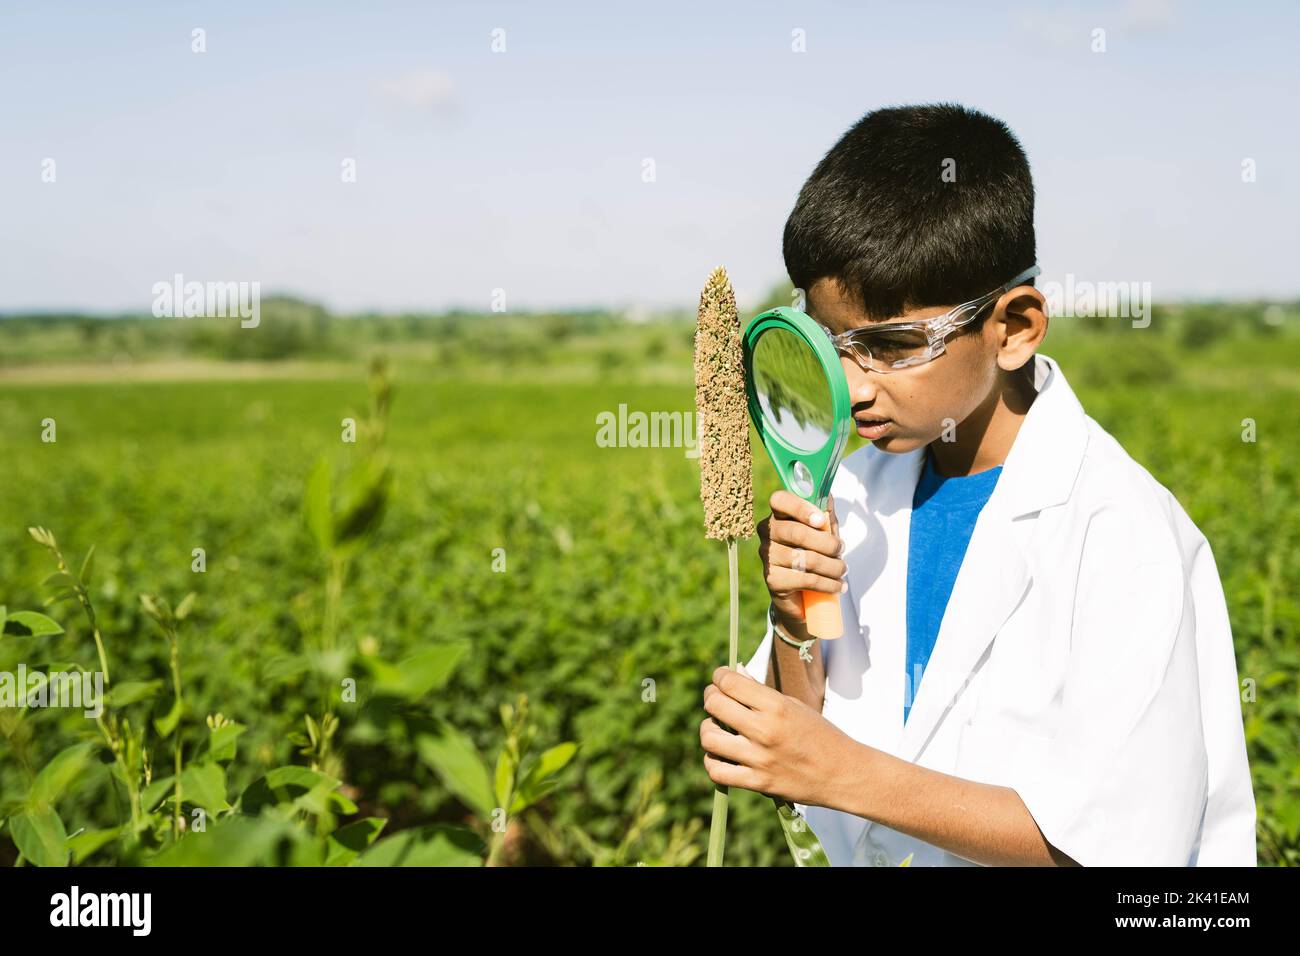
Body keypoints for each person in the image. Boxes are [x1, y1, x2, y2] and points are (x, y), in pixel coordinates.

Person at [699, 103, 1256, 866]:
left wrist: (845, 774)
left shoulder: (1118, 529)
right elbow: (802, 742)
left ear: (1015, 327)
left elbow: (1119, 847)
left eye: (893, 345)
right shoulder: (854, 490)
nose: (852, 389)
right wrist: (796, 620)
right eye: (830, 345)